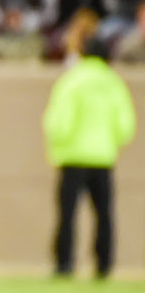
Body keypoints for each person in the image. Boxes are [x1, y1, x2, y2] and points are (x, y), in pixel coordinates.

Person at [43, 35, 136, 278]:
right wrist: (110, 143)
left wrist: (59, 145)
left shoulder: (72, 80)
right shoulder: (114, 82)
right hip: (103, 157)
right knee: (104, 215)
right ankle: (104, 265)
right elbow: (126, 125)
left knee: (68, 215)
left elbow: (58, 122)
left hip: (73, 157)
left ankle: (65, 264)